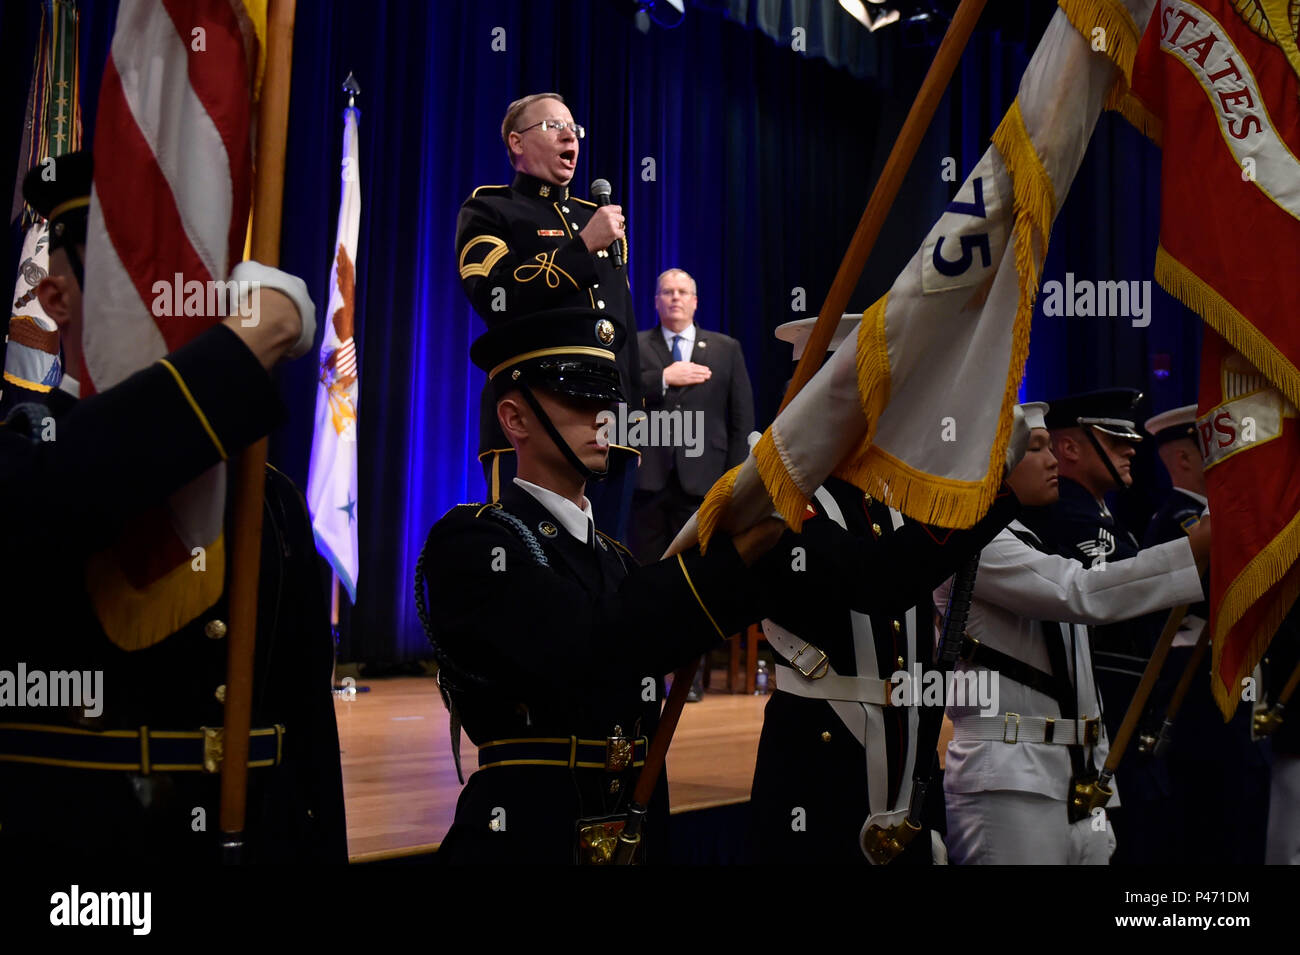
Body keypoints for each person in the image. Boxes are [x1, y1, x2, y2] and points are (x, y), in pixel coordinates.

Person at [0, 152, 347, 863]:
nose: (158, 301)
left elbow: (309, 731)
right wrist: (250, 342)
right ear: (57, 299)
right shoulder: (23, 456)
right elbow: (77, 481)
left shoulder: (267, 497)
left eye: (174, 279)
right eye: (124, 277)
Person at [415, 306, 785, 863]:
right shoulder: (473, 542)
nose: (603, 420)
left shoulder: (614, 558)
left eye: (606, 404)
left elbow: (655, 621)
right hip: (527, 840)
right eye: (580, 403)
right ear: (515, 420)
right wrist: (735, 557)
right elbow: (597, 638)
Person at [748, 316, 1022, 864]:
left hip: (907, 760)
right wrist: (991, 496)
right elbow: (876, 580)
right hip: (821, 766)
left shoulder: (886, 496)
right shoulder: (770, 491)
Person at [938, 401, 1209, 865]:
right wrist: (1198, 548)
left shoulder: (1037, 539)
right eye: (1035, 448)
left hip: (1076, 773)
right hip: (1010, 779)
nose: (1051, 461)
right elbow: (1080, 593)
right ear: (993, 463)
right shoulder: (973, 540)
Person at [455, 92, 641, 537]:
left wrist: (637, 417)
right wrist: (581, 249)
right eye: (554, 126)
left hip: (614, 424)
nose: (569, 136)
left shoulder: (592, 215)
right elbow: (495, 297)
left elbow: (622, 327)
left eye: (574, 129)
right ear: (517, 143)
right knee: (531, 562)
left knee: (608, 570)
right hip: (535, 412)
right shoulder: (491, 209)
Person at [1033, 387, 1174, 863]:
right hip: (1104, 717)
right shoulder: (1070, 519)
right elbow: (1111, 599)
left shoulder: (1102, 518)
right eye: (1115, 441)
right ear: (1070, 447)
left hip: (1122, 722)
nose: (1131, 449)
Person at [1141, 404, 1269, 863]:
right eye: (1222, 450)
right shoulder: (1180, 523)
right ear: (1184, 460)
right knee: (1215, 823)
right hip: (1197, 685)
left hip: (1234, 678)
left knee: (1246, 812)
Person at [631, 268, 754, 699]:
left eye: (683, 291)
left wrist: (735, 483)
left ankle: (690, 678)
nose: (675, 298)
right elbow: (618, 394)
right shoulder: (635, 346)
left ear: (696, 301)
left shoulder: (725, 349)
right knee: (647, 581)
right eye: (667, 291)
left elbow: (741, 422)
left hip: (704, 485)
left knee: (694, 582)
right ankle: (647, 674)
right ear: (656, 300)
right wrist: (664, 379)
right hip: (646, 483)